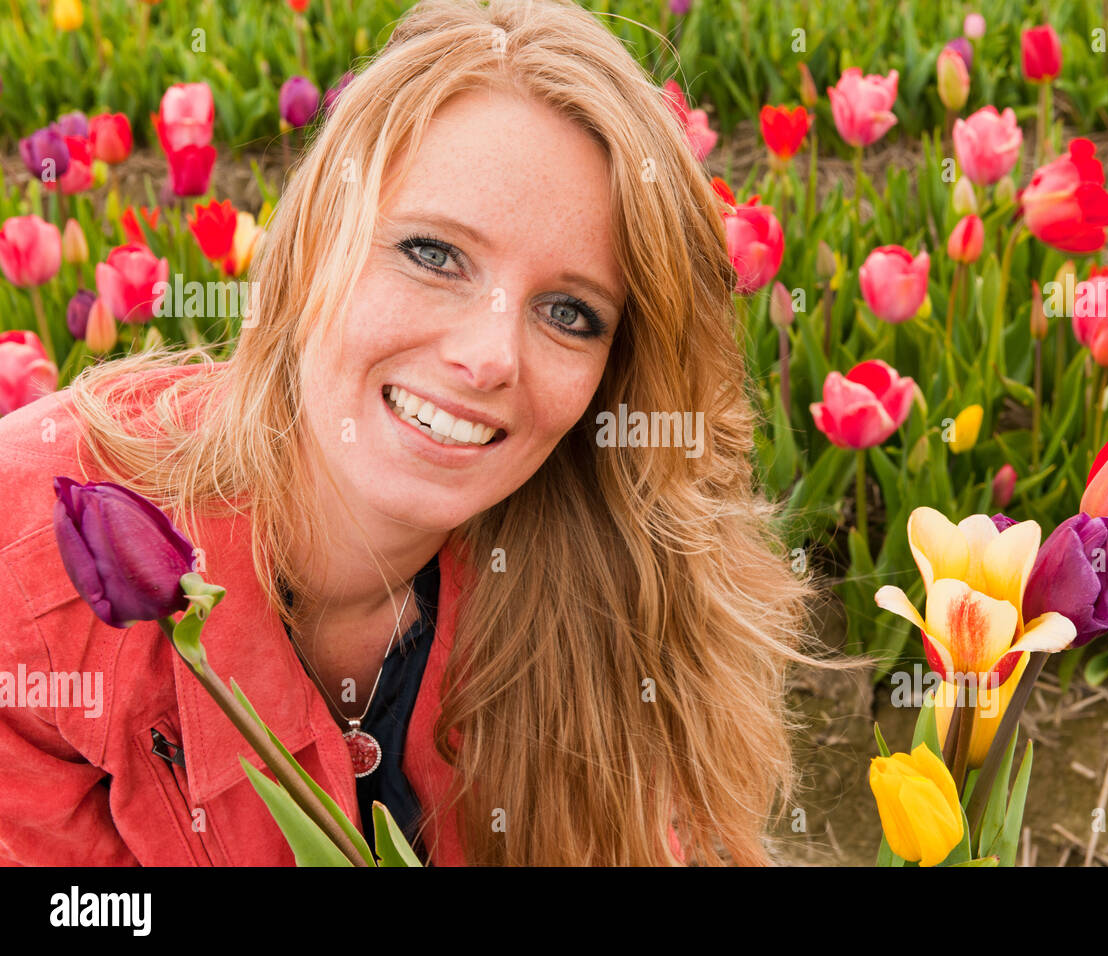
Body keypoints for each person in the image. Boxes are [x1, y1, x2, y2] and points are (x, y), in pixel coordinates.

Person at [0, 0, 844, 866]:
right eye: (434, 255)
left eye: (569, 312)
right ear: (314, 243)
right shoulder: (34, 569)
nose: (489, 357)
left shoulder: (616, 599)